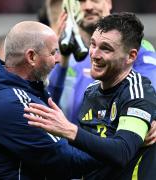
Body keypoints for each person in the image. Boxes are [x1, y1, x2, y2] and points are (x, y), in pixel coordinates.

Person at [24, 12, 156, 179]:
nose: (94, 54)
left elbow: (122, 152)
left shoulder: (137, 92)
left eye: (106, 48)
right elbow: (87, 154)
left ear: (131, 56)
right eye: (93, 44)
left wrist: (69, 130)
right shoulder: (91, 91)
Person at [0, 21, 104, 179]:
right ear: (31, 57)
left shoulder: (4, 86)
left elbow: (47, 100)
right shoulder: (14, 103)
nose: (58, 59)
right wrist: (121, 145)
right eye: (53, 53)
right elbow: (68, 162)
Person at [47, 0, 156, 124]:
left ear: (108, 3)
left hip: (117, 139)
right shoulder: (63, 54)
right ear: (72, 8)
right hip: (71, 141)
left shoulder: (138, 50)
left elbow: (150, 95)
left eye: (95, 0)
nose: (88, 6)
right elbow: (47, 103)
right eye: (81, 1)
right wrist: (62, 57)